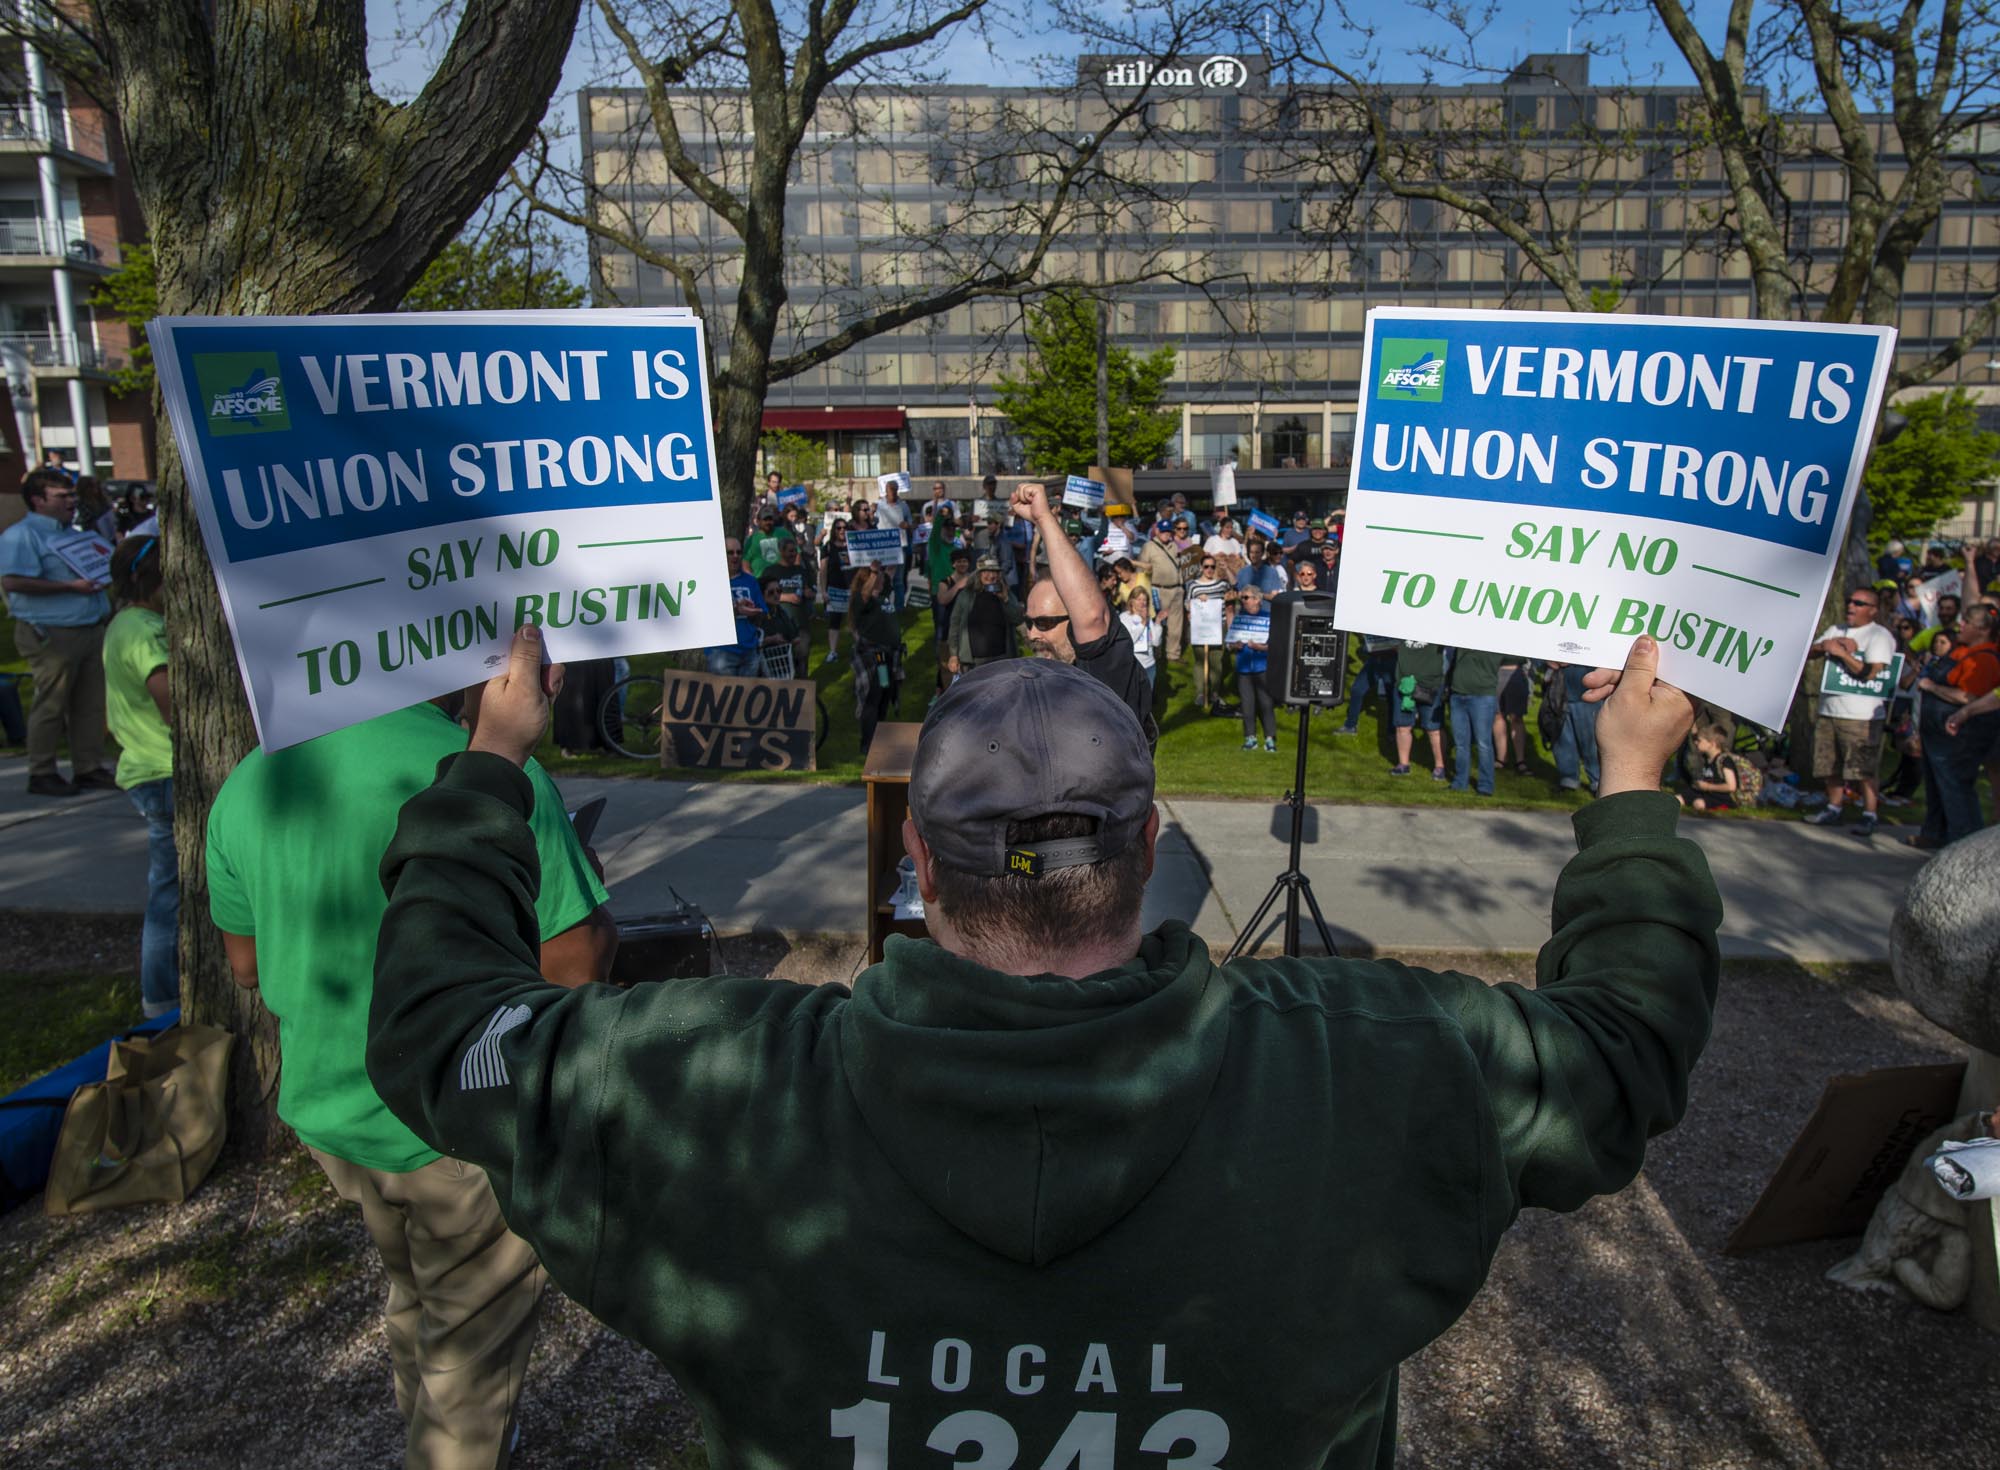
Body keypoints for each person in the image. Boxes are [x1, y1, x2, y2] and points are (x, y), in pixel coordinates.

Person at [364, 628, 1715, 1470]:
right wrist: (1632, 789)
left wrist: (492, 763)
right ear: (1144, 848)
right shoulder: (1375, 1065)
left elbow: (435, 1028)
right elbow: (1627, 1045)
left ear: (915, 858)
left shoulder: (697, 1086)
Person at [211, 685, 614, 1470]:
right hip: (460, 1114)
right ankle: (453, 1445)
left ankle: (429, 1426)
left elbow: (245, 962)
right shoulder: (492, 773)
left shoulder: (251, 777)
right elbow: (573, 965)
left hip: (335, 1113)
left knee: (415, 1288)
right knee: (470, 1346)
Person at [0, 468, 114, 796]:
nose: (71, 501)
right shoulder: (22, 535)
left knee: (90, 703)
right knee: (51, 703)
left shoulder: (75, 533)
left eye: (71, 495)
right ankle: (42, 771)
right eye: (62, 496)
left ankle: (88, 767)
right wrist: (69, 586)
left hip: (90, 626)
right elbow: (12, 581)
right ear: (37, 500)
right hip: (51, 632)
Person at [1012, 481, 1152, 740]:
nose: (1032, 634)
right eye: (1029, 623)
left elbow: (1092, 617)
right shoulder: (1036, 680)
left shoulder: (1106, 669)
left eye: (1044, 623)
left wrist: (1045, 518)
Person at [102, 534, 177, 1019]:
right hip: (164, 769)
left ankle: (162, 994)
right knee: (169, 893)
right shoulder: (147, 629)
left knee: (169, 888)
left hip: (144, 766)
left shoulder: (120, 625)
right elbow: (171, 697)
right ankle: (161, 999)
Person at [1805, 586, 1897, 839]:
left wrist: (1843, 654)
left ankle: (1869, 814)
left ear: (1873, 609)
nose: (1851, 607)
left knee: (1862, 769)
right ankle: (1834, 808)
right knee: (1829, 764)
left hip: (1862, 716)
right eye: (1849, 601)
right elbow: (1809, 653)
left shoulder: (1879, 636)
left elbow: (1870, 672)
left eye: (1858, 603)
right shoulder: (1837, 630)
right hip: (1830, 709)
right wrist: (1826, 646)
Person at [1909, 602, 2000, 848]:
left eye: (1967, 622)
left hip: (1960, 736)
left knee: (1956, 787)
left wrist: (1932, 687)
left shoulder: (1985, 659)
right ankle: (1934, 832)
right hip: (1936, 732)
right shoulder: (1960, 651)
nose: (1961, 625)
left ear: (1982, 629)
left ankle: (1965, 843)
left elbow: (1970, 697)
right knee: (1936, 785)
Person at [847, 564, 902, 755]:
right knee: (873, 695)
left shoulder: (882, 596)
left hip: (887, 655)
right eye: (875, 576)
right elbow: (864, 595)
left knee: (885, 694)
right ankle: (867, 743)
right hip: (874, 655)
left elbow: (890, 574)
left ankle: (879, 738)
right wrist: (874, 572)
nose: (880, 578)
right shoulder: (861, 600)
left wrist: (890, 560)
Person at [947, 554, 1023, 676]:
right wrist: (954, 655)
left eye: (995, 572)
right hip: (974, 662)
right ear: (978, 574)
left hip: (1002, 659)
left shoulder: (1006, 592)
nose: (992, 576)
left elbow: (1018, 619)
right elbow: (955, 625)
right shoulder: (966, 595)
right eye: (987, 571)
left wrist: (1006, 600)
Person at [705, 539, 767, 678]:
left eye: (739, 552)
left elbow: (762, 613)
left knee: (748, 699)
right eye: (730, 552)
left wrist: (754, 612)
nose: (735, 556)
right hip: (721, 652)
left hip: (749, 651)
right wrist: (736, 610)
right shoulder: (710, 581)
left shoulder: (750, 581)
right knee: (725, 699)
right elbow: (707, 616)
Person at [1447, 647, 1502, 796]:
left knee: (1483, 744)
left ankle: (1485, 786)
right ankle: (1460, 782)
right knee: (1460, 744)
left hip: (1482, 695)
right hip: (1457, 694)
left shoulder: (1494, 641)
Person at [1392, 639, 1448, 780]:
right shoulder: (1401, 625)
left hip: (1431, 684)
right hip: (1404, 684)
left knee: (1433, 728)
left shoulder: (1439, 626)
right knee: (1402, 726)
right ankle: (1403, 764)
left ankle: (1440, 766)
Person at [1137, 515, 1186, 671]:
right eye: (1163, 531)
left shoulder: (1174, 546)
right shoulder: (1149, 546)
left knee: (1176, 625)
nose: (1166, 534)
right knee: (1158, 622)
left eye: (1168, 532)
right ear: (1157, 531)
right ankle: (1157, 654)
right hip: (1158, 589)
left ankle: (1173, 654)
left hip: (1177, 588)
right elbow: (1141, 569)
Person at [1232, 583, 1276, 751]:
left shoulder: (1268, 618)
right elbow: (1230, 643)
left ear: (1257, 600)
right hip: (1244, 669)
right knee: (1247, 704)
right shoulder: (1240, 618)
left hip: (1262, 666)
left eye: (1246, 597)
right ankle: (1250, 737)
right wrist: (1234, 645)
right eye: (1242, 598)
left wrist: (1261, 648)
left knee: (1266, 703)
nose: (1243, 601)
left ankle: (1270, 738)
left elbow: (1275, 645)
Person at [1186, 555, 1232, 715]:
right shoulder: (1193, 586)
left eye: (1212, 566)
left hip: (1218, 626)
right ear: (1201, 567)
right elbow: (1187, 603)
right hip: (1200, 627)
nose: (1210, 570)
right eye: (1206, 566)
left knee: (1216, 661)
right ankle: (1200, 693)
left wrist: (1226, 569)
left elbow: (1235, 585)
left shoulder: (1221, 584)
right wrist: (1196, 601)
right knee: (1200, 661)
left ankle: (1214, 693)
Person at [1680, 722, 1762, 811]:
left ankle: (1723, 807)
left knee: (1699, 804)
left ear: (1712, 744)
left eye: (1699, 740)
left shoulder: (1725, 761)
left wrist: (1708, 786)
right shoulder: (1706, 758)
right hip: (1707, 792)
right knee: (1677, 799)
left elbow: (1731, 786)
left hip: (1723, 796)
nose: (1696, 743)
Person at [1551, 661, 1603, 795]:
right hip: (1559, 695)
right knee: (1563, 740)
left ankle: (1598, 782)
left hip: (1586, 695)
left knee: (1591, 743)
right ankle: (1568, 780)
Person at [1337, 637, 1399, 737]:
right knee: (1357, 690)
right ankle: (1350, 726)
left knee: (1391, 697)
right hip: (1374, 661)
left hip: (1390, 662)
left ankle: (1392, 731)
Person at [819, 517, 853, 667]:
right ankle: (833, 651)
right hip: (834, 589)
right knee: (835, 621)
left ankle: (857, 647)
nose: (842, 530)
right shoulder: (828, 547)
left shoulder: (852, 546)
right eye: (838, 528)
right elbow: (823, 571)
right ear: (834, 530)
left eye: (844, 527)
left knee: (854, 620)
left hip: (851, 589)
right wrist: (823, 591)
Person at [1119, 585, 1165, 691]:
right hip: (1132, 664)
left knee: (1147, 699)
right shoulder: (1124, 618)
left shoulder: (1147, 617)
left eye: (1145, 600)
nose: (1142, 602)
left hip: (1149, 664)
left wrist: (1157, 622)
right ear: (1131, 601)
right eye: (1139, 599)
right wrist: (1143, 623)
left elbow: (1156, 642)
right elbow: (1128, 640)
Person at [1494, 655, 1532, 774]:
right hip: (1495, 671)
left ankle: (1520, 761)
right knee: (1498, 715)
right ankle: (1501, 758)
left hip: (1517, 670)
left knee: (1516, 717)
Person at [743, 506, 793, 576]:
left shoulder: (784, 533)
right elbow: (745, 562)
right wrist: (752, 579)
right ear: (758, 521)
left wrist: (795, 571)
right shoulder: (751, 540)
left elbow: (797, 552)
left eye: (770, 519)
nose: (768, 522)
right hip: (760, 580)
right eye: (765, 519)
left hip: (783, 578)